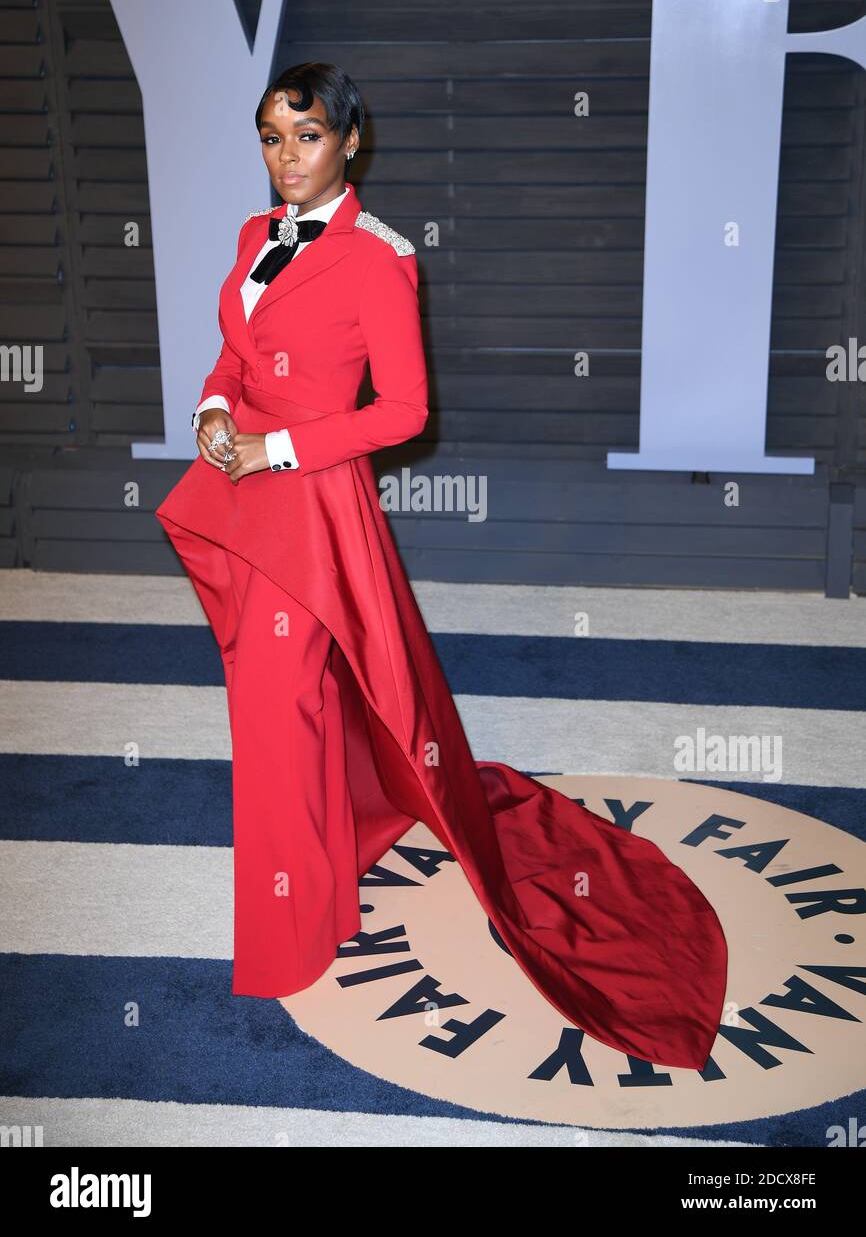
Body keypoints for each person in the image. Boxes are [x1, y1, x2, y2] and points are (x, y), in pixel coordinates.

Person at [155, 61, 728, 1070]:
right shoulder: (254, 237)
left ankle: (291, 936)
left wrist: (277, 448)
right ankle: (324, 877)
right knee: (287, 697)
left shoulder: (378, 259)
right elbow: (234, 357)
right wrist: (212, 408)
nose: (285, 158)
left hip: (311, 500)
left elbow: (404, 412)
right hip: (240, 491)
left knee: (280, 706)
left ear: (350, 143)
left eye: (306, 137)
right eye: (269, 137)